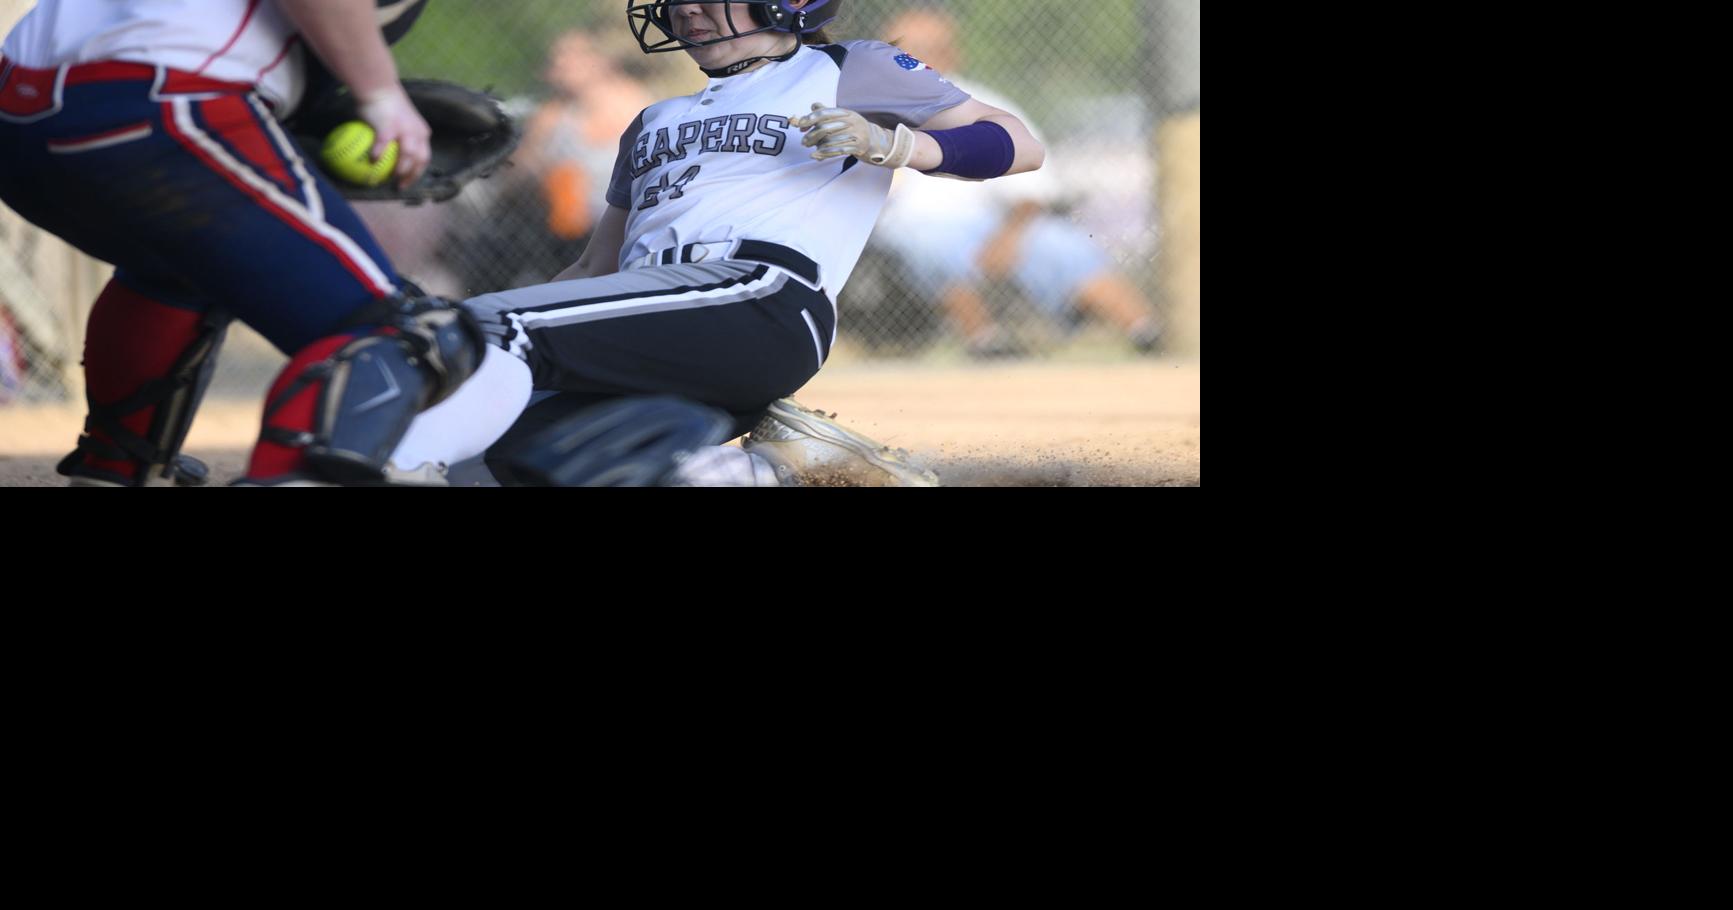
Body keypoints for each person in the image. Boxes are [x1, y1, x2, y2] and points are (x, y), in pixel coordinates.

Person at [462, 0, 1045, 486]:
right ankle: (776, 472)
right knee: (498, 461)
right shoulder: (653, 119)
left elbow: (1019, 144)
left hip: (759, 299)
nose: (684, 9)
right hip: (654, 318)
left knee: (477, 329)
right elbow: (595, 267)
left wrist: (896, 146)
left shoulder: (847, 66)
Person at [0, 0, 531, 486]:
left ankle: (114, 469)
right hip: (160, 106)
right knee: (411, 335)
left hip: (21, 121)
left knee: (180, 270)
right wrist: (380, 93)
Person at [872, 5, 1163, 359]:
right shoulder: (867, 107)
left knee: (1058, 242)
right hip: (902, 225)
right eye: (902, 50)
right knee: (927, 241)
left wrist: (1007, 238)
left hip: (988, 225)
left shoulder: (981, 106)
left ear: (952, 53)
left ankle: (1147, 334)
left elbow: (1034, 190)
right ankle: (987, 342)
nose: (913, 58)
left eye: (927, 49)